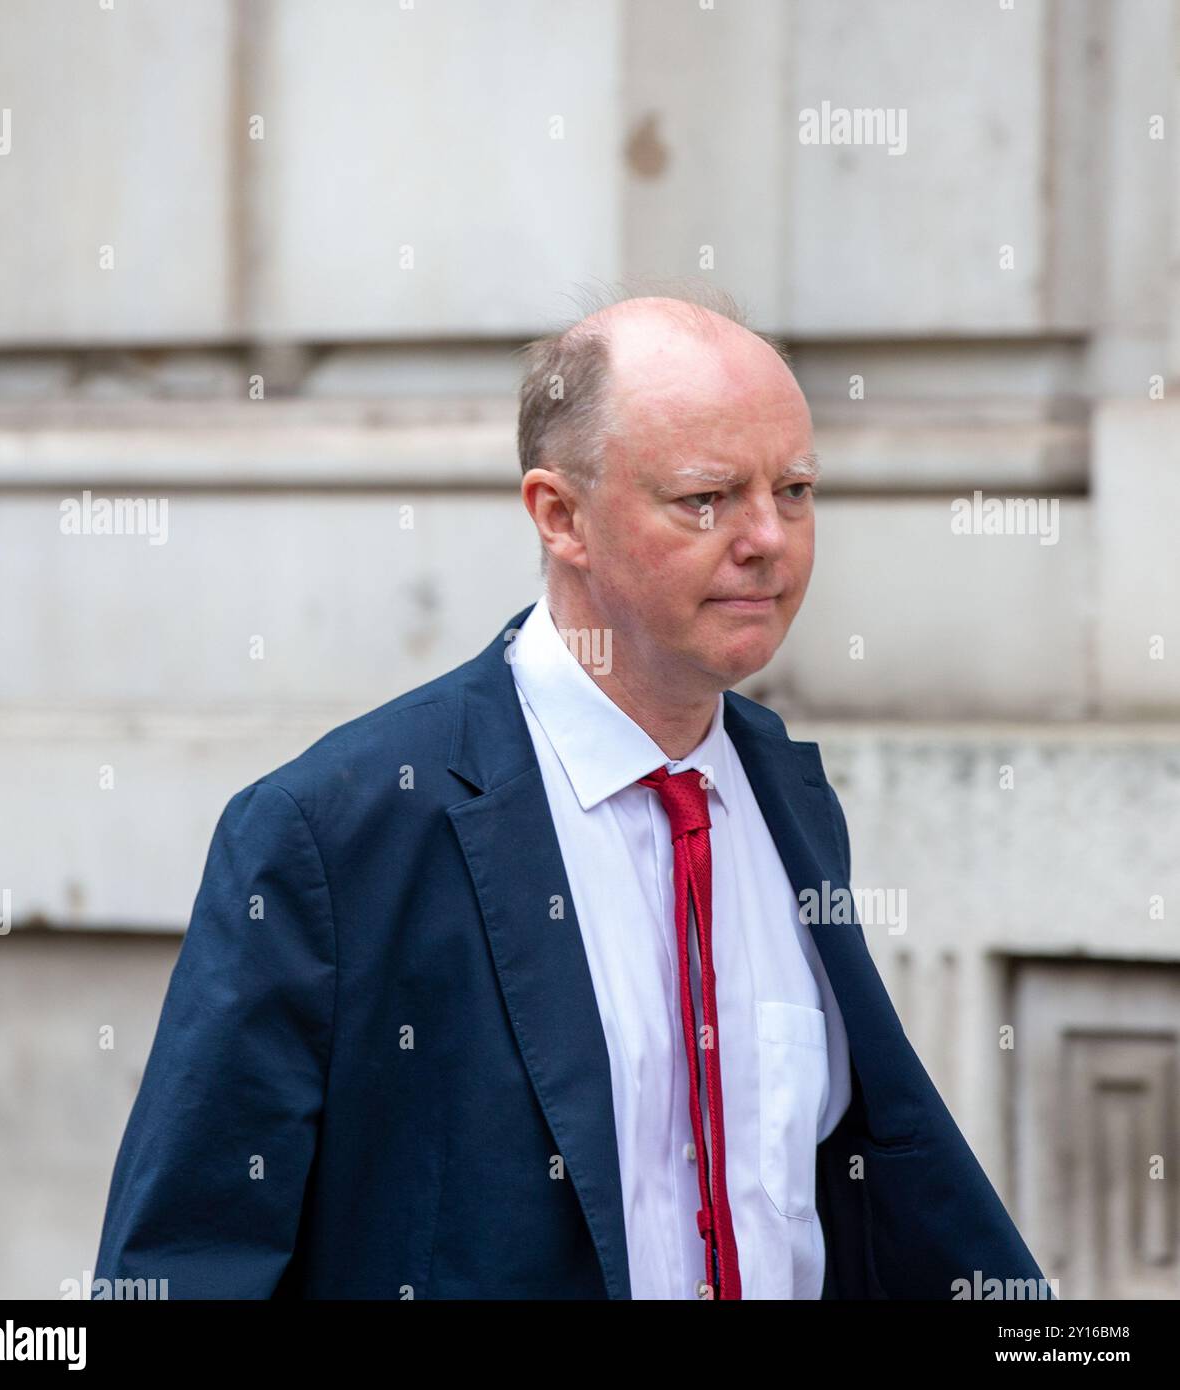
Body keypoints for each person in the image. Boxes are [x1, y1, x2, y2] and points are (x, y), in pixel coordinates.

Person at [94, 289, 1050, 1299]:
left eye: (797, 489)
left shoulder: (787, 796)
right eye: (707, 498)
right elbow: (186, 1263)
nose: (769, 537)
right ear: (561, 516)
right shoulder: (334, 833)